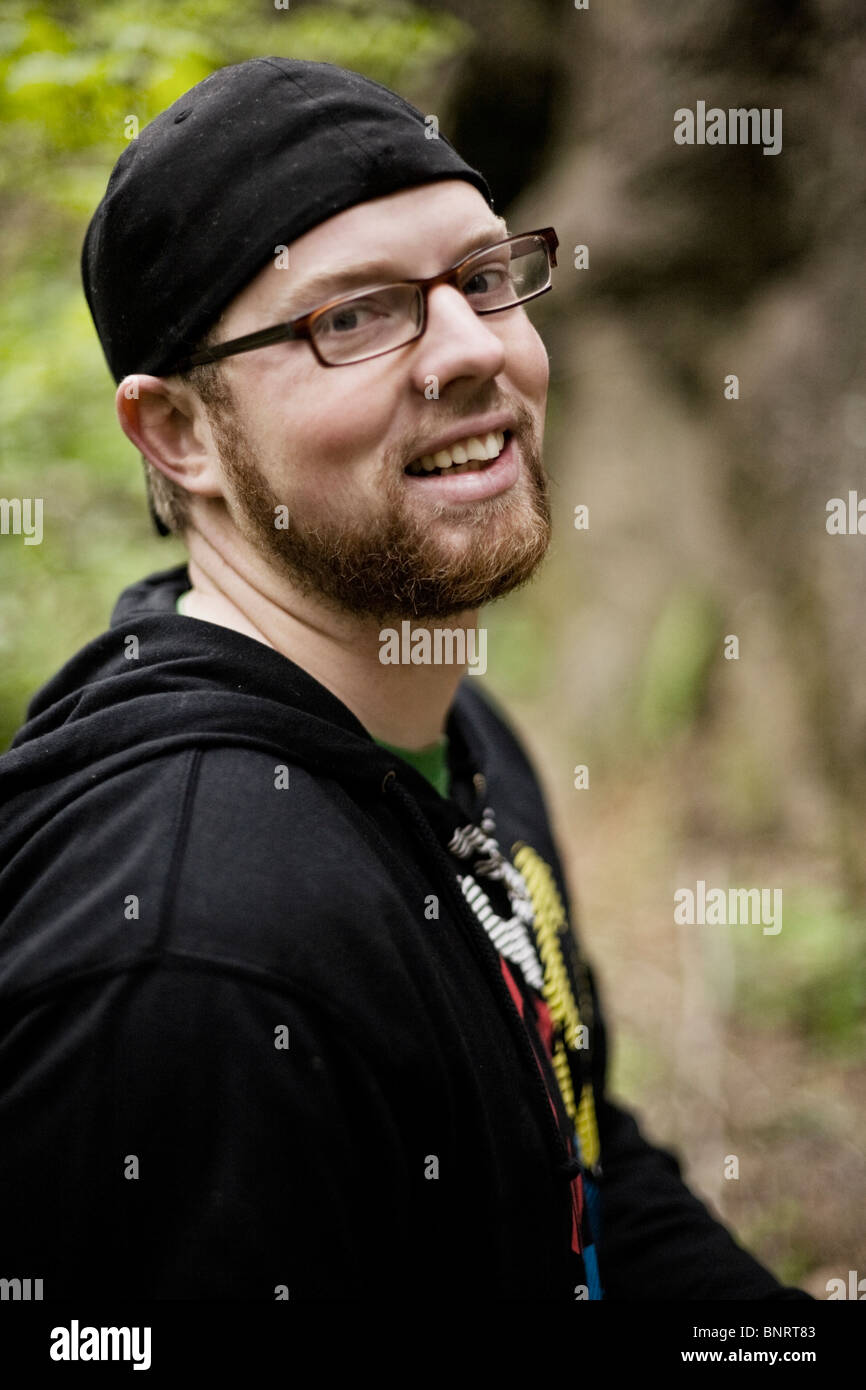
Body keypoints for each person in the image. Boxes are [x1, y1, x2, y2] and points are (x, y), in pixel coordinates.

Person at [0, 56, 810, 1302]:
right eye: (353, 316)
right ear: (177, 433)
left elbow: (576, 1161)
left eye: (483, 280)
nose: (469, 351)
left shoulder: (447, 728)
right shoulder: (191, 959)